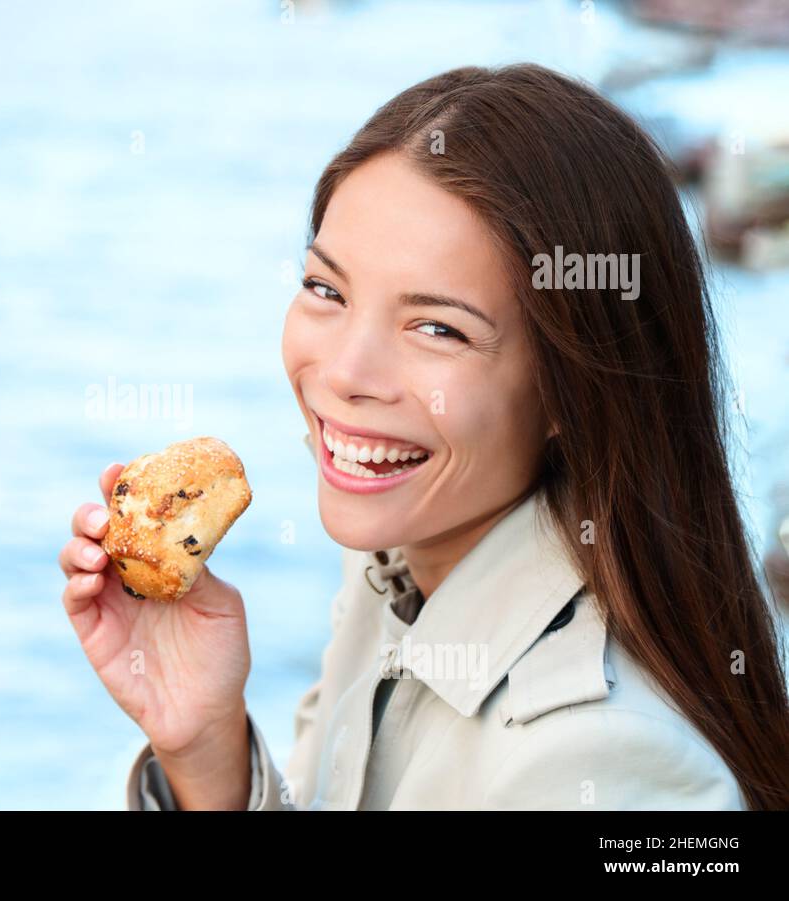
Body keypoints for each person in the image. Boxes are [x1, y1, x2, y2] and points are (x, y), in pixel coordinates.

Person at [58, 64, 789, 810]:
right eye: (325, 289)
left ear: (572, 384)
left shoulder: (599, 762)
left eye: (438, 327)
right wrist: (206, 751)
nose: (345, 371)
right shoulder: (393, 569)